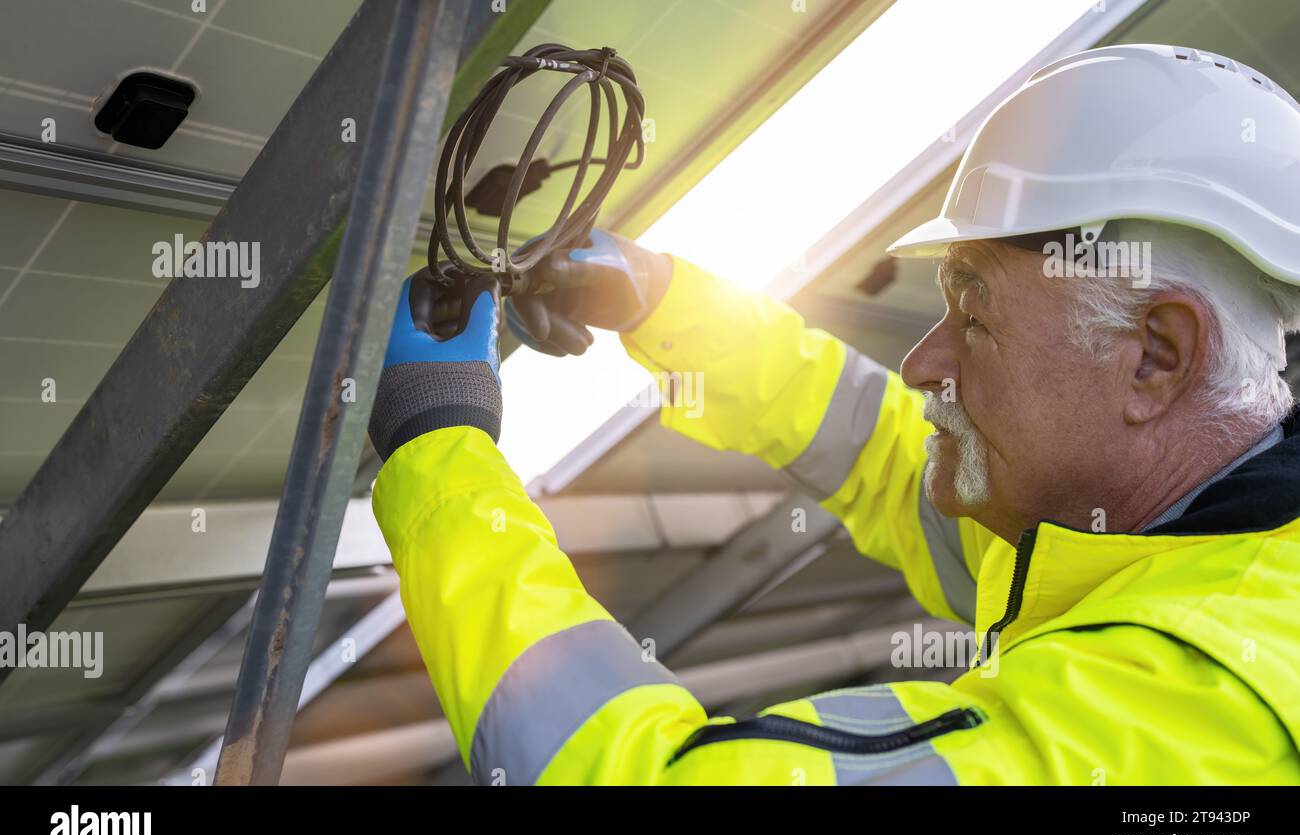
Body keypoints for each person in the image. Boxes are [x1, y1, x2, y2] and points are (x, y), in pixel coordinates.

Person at [366, 45, 1300, 784]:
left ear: (1155, 356)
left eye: (974, 316)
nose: (923, 359)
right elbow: (890, 459)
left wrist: (438, 451)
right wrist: (663, 304)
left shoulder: (1191, 719)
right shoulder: (1161, 544)